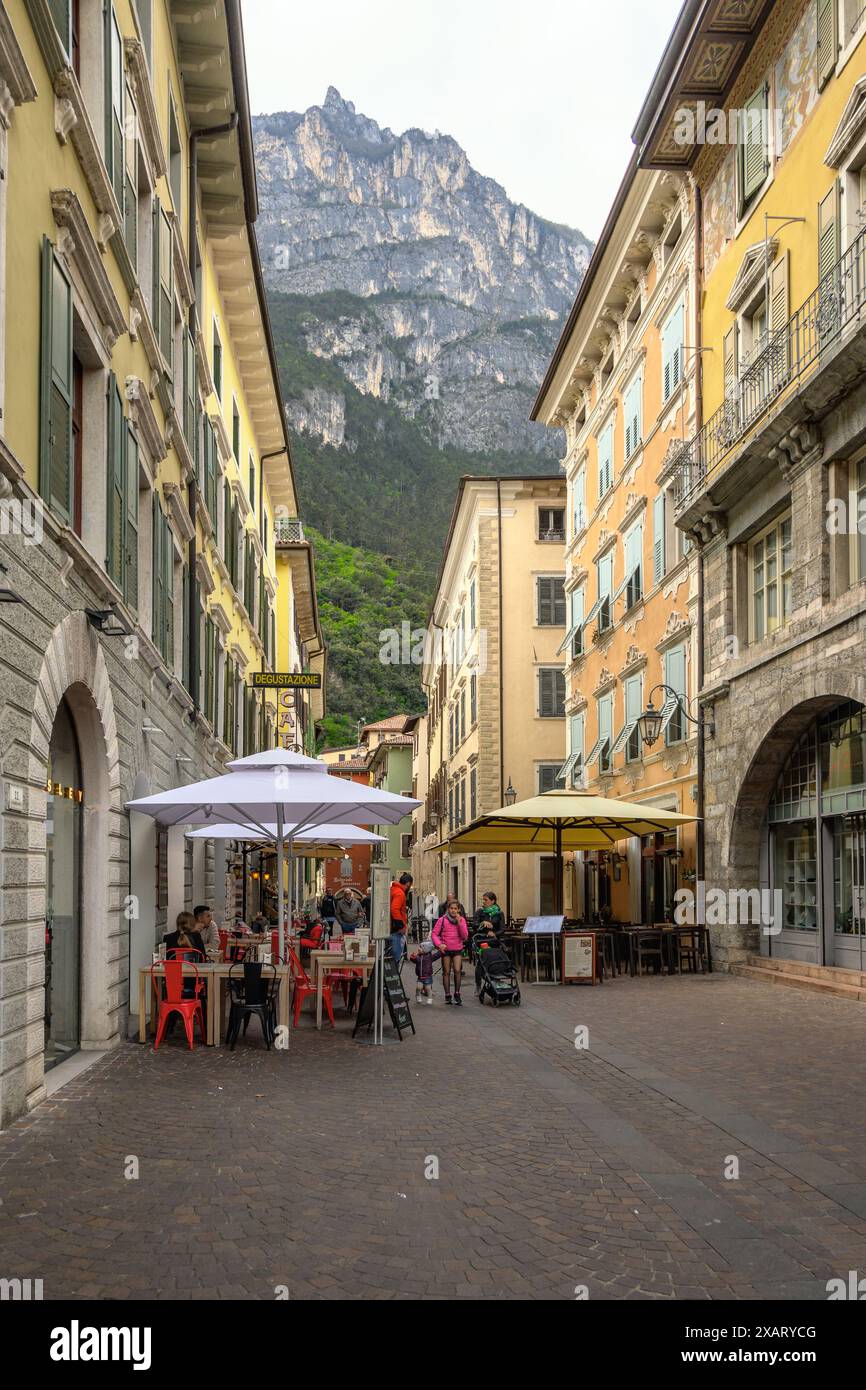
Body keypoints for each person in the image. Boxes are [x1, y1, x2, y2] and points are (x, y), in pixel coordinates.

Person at [431, 900, 469, 1005]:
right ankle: (447, 995)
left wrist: (460, 923)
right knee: (446, 972)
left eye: (455, 908)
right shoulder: (442, 920)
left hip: (457, 949)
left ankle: (457, 993)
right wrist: (439, 944)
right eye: (451, 908)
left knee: (457, 970)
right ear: (448, 909)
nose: (453, 910)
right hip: (446, 949)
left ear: (459, 910)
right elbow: (434, 934)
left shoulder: (461, 920)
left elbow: (465, 936)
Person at [389, 872, 412, 966]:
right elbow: (394, 909)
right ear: (408, 884)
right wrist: (401, 926)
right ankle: (394, 979)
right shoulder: (400, 893)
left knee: (389, 959)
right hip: (395, 931)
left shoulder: (392, 889)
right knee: (395, 960)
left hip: (389, 928)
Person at [410, 939, 441, 1005]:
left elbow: (436, 955)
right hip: (420, 976)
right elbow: (414, 960)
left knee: (428, 988)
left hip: (428, 976)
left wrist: (441, 951)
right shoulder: (418, 957)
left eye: (421, 947)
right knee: (419, 987)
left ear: (426, 949)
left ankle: (430, 998)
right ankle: (418, 995)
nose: (418, 949)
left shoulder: (430, 957)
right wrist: (412, 957)